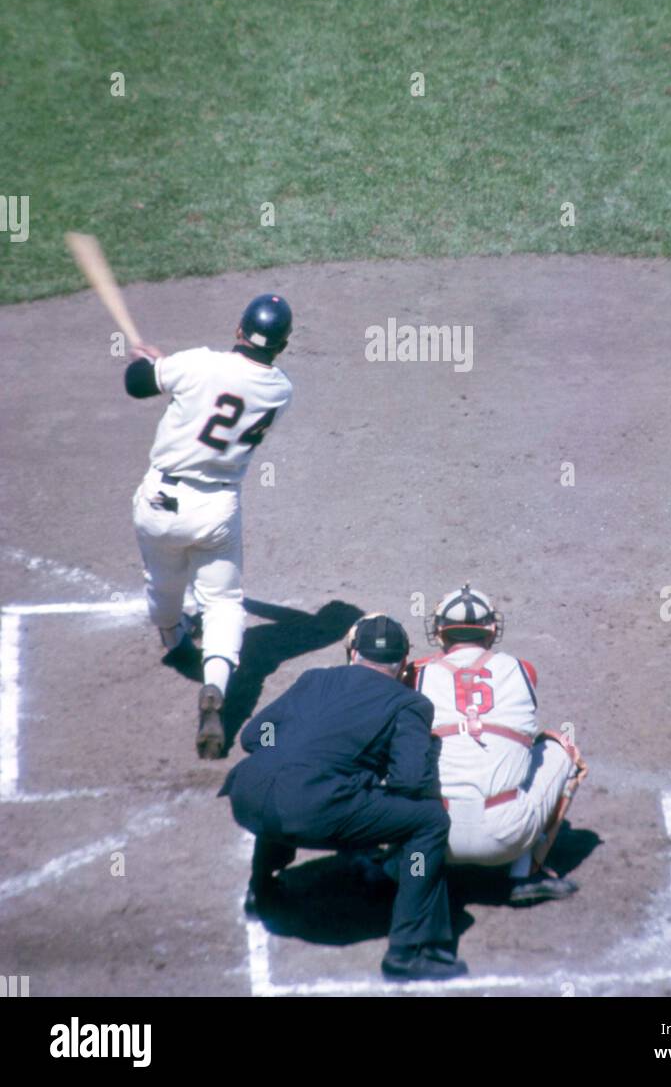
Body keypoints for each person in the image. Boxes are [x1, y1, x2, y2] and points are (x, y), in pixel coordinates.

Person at [219, 614, 468, 982]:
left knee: (286, 776)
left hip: (248, 796)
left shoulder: (314, 679)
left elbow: (256, 734)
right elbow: (410, 782)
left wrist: (282, 749)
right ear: (404, 663)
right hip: (310, 812)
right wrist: (424, 752)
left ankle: (262, 890)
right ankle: (410, 949)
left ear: (353, 653)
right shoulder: (409, 703)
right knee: (429, 822)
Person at [125, 294, 293, 758]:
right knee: (222, 604)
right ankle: (214, 685)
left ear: (239, 330)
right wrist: (171, 371)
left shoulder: (197, 364)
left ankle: (172, 635)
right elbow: (226, 393)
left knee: (163, 583)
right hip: (218, 508)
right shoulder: (280, 391)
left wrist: (150, 363)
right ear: (282, 345)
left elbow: (136, 385)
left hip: (161, 501)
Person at [407, 583, 588, 904]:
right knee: (561, 748)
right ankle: (525, 874)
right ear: (492, 629)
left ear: (439, 631)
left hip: (432, 836)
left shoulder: (416, 675)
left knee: (395, 752)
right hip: (506, 837)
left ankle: (394, 867)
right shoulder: (522, 669)